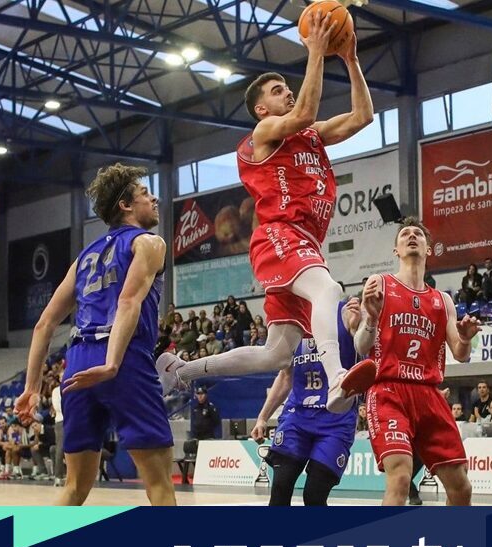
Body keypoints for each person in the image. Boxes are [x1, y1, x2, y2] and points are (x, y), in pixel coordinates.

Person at [159, 14, 376, 415]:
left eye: (288, 88)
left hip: (302, 243)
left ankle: (181, 369)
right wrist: (314, 53)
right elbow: (305, 113)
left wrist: (350, 59)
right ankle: (338, 378)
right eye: (279, 91)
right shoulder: (263, 135)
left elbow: (363, 116)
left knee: (277, 353)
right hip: (279, 234)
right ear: (262, 109)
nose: (288, 93)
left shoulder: (309, 135)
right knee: (328, 291)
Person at [14, 163, 176, 506]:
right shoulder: (149, 243)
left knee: (74, 488)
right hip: (124, 358)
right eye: (146, 194)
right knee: (159, 484)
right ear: (125, 206)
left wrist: (31, 388)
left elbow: (45, 324)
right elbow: (128, 300)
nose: (155, 198)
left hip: (76, 363)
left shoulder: (85, 256)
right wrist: (113, 364)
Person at [355, 218, 480, 506]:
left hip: (429, 394)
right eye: (405, 235)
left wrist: (466, 337)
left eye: (418, 235)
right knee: (400, 476)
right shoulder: (381, 284)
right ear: (396, 250)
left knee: (462, 488)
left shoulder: (442, 300)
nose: (412, 237)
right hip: (388, 390)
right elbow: (361, 346)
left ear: (429, 249)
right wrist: (371, 318)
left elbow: (460, 354)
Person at [251, 298, 361, 506]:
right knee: (281, 487)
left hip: (336, 419)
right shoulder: (292, 319)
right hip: (298, 415)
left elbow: (365, 350)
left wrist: (361, 326)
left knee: (314, 496)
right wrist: (262, 417)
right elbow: (285, 377)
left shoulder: (347, 311)